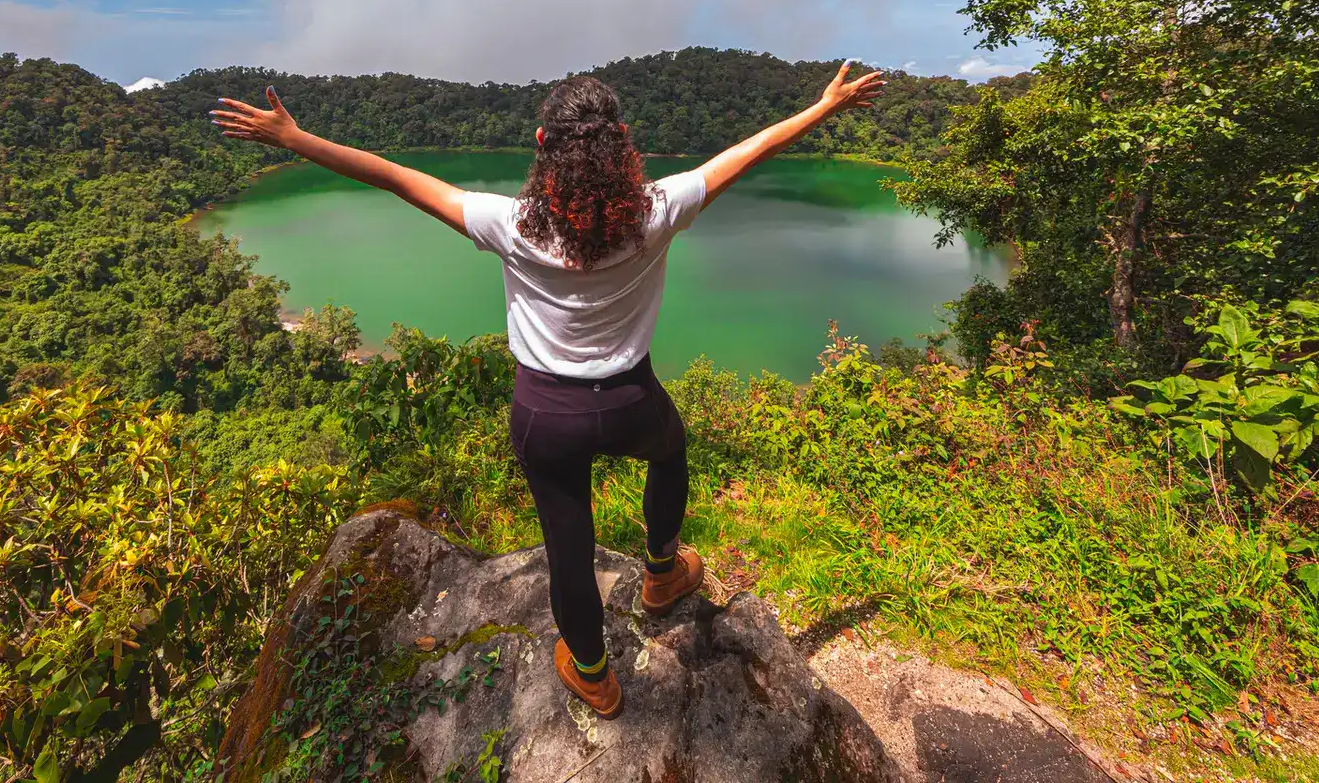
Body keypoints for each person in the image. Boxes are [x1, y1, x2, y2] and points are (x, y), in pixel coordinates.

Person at [210, 62, 885, 718]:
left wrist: (294, 139)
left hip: (545, 414)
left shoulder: (513, 224)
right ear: (624, 144)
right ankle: (661, 572)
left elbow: (394, 178)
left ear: (542, 146)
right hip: (630, 400)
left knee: (569, 541)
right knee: (669, 449)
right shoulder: (658, 211)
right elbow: (752, 150)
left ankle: (594, 677)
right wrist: (825, 106)